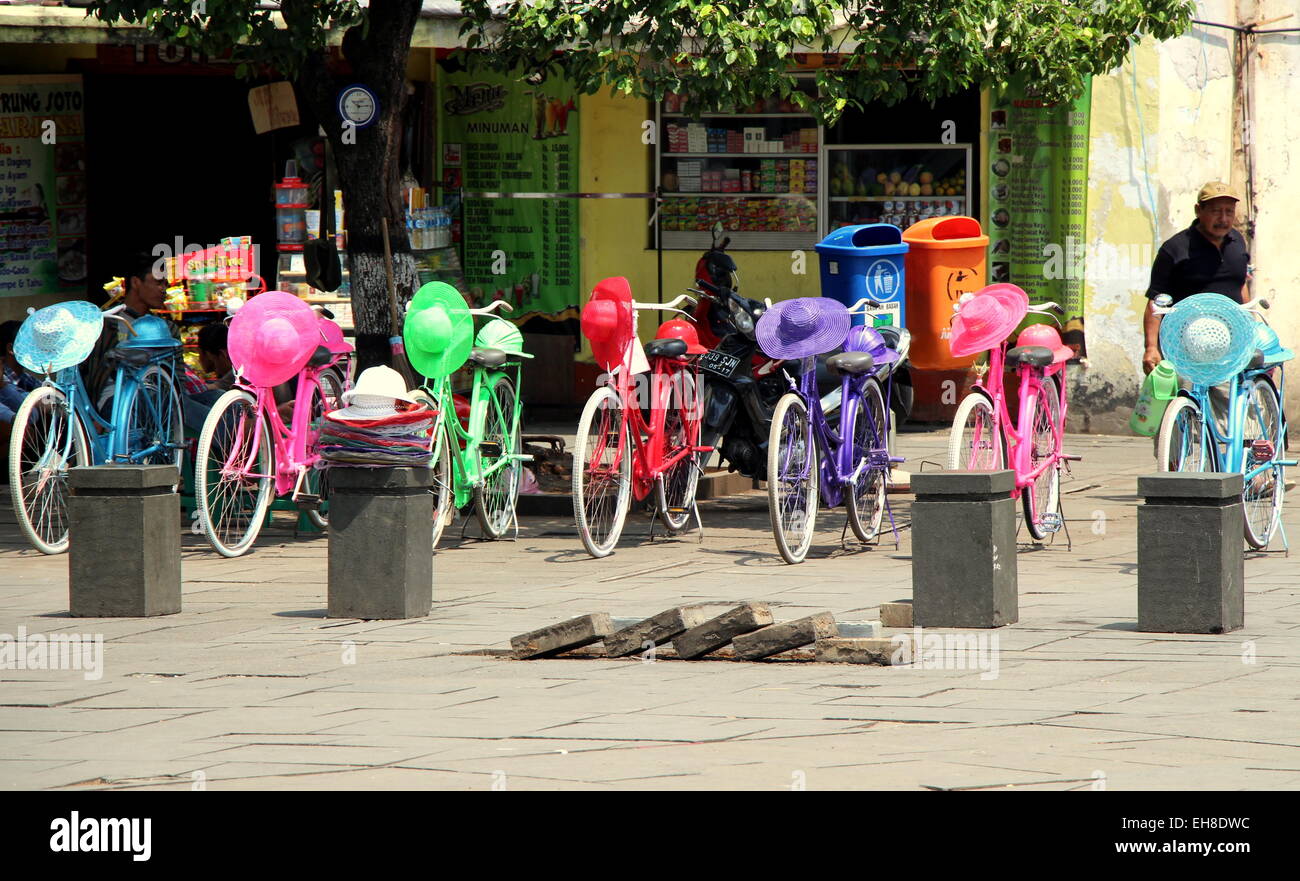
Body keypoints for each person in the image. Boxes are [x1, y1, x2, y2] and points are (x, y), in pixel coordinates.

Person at [1142, 181, 1251, 375]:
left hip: (1230, 349)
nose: (1223, 219)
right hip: (1185, 349)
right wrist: (1151, 347)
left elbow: (1241, 284)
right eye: (1216, 211)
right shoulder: (1175, 249)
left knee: (1227, 401)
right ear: (1198, 210)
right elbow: (1156, 301)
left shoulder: (1238, 242)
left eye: (1229, 211)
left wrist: (1252, 328)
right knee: (1183, 399)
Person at [1, 319, 42, 454]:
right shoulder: (4, 377)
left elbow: (50, 398)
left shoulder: (24, 378)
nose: (34, 347)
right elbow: (31, 415)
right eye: (28, 343)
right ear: (11, 349)